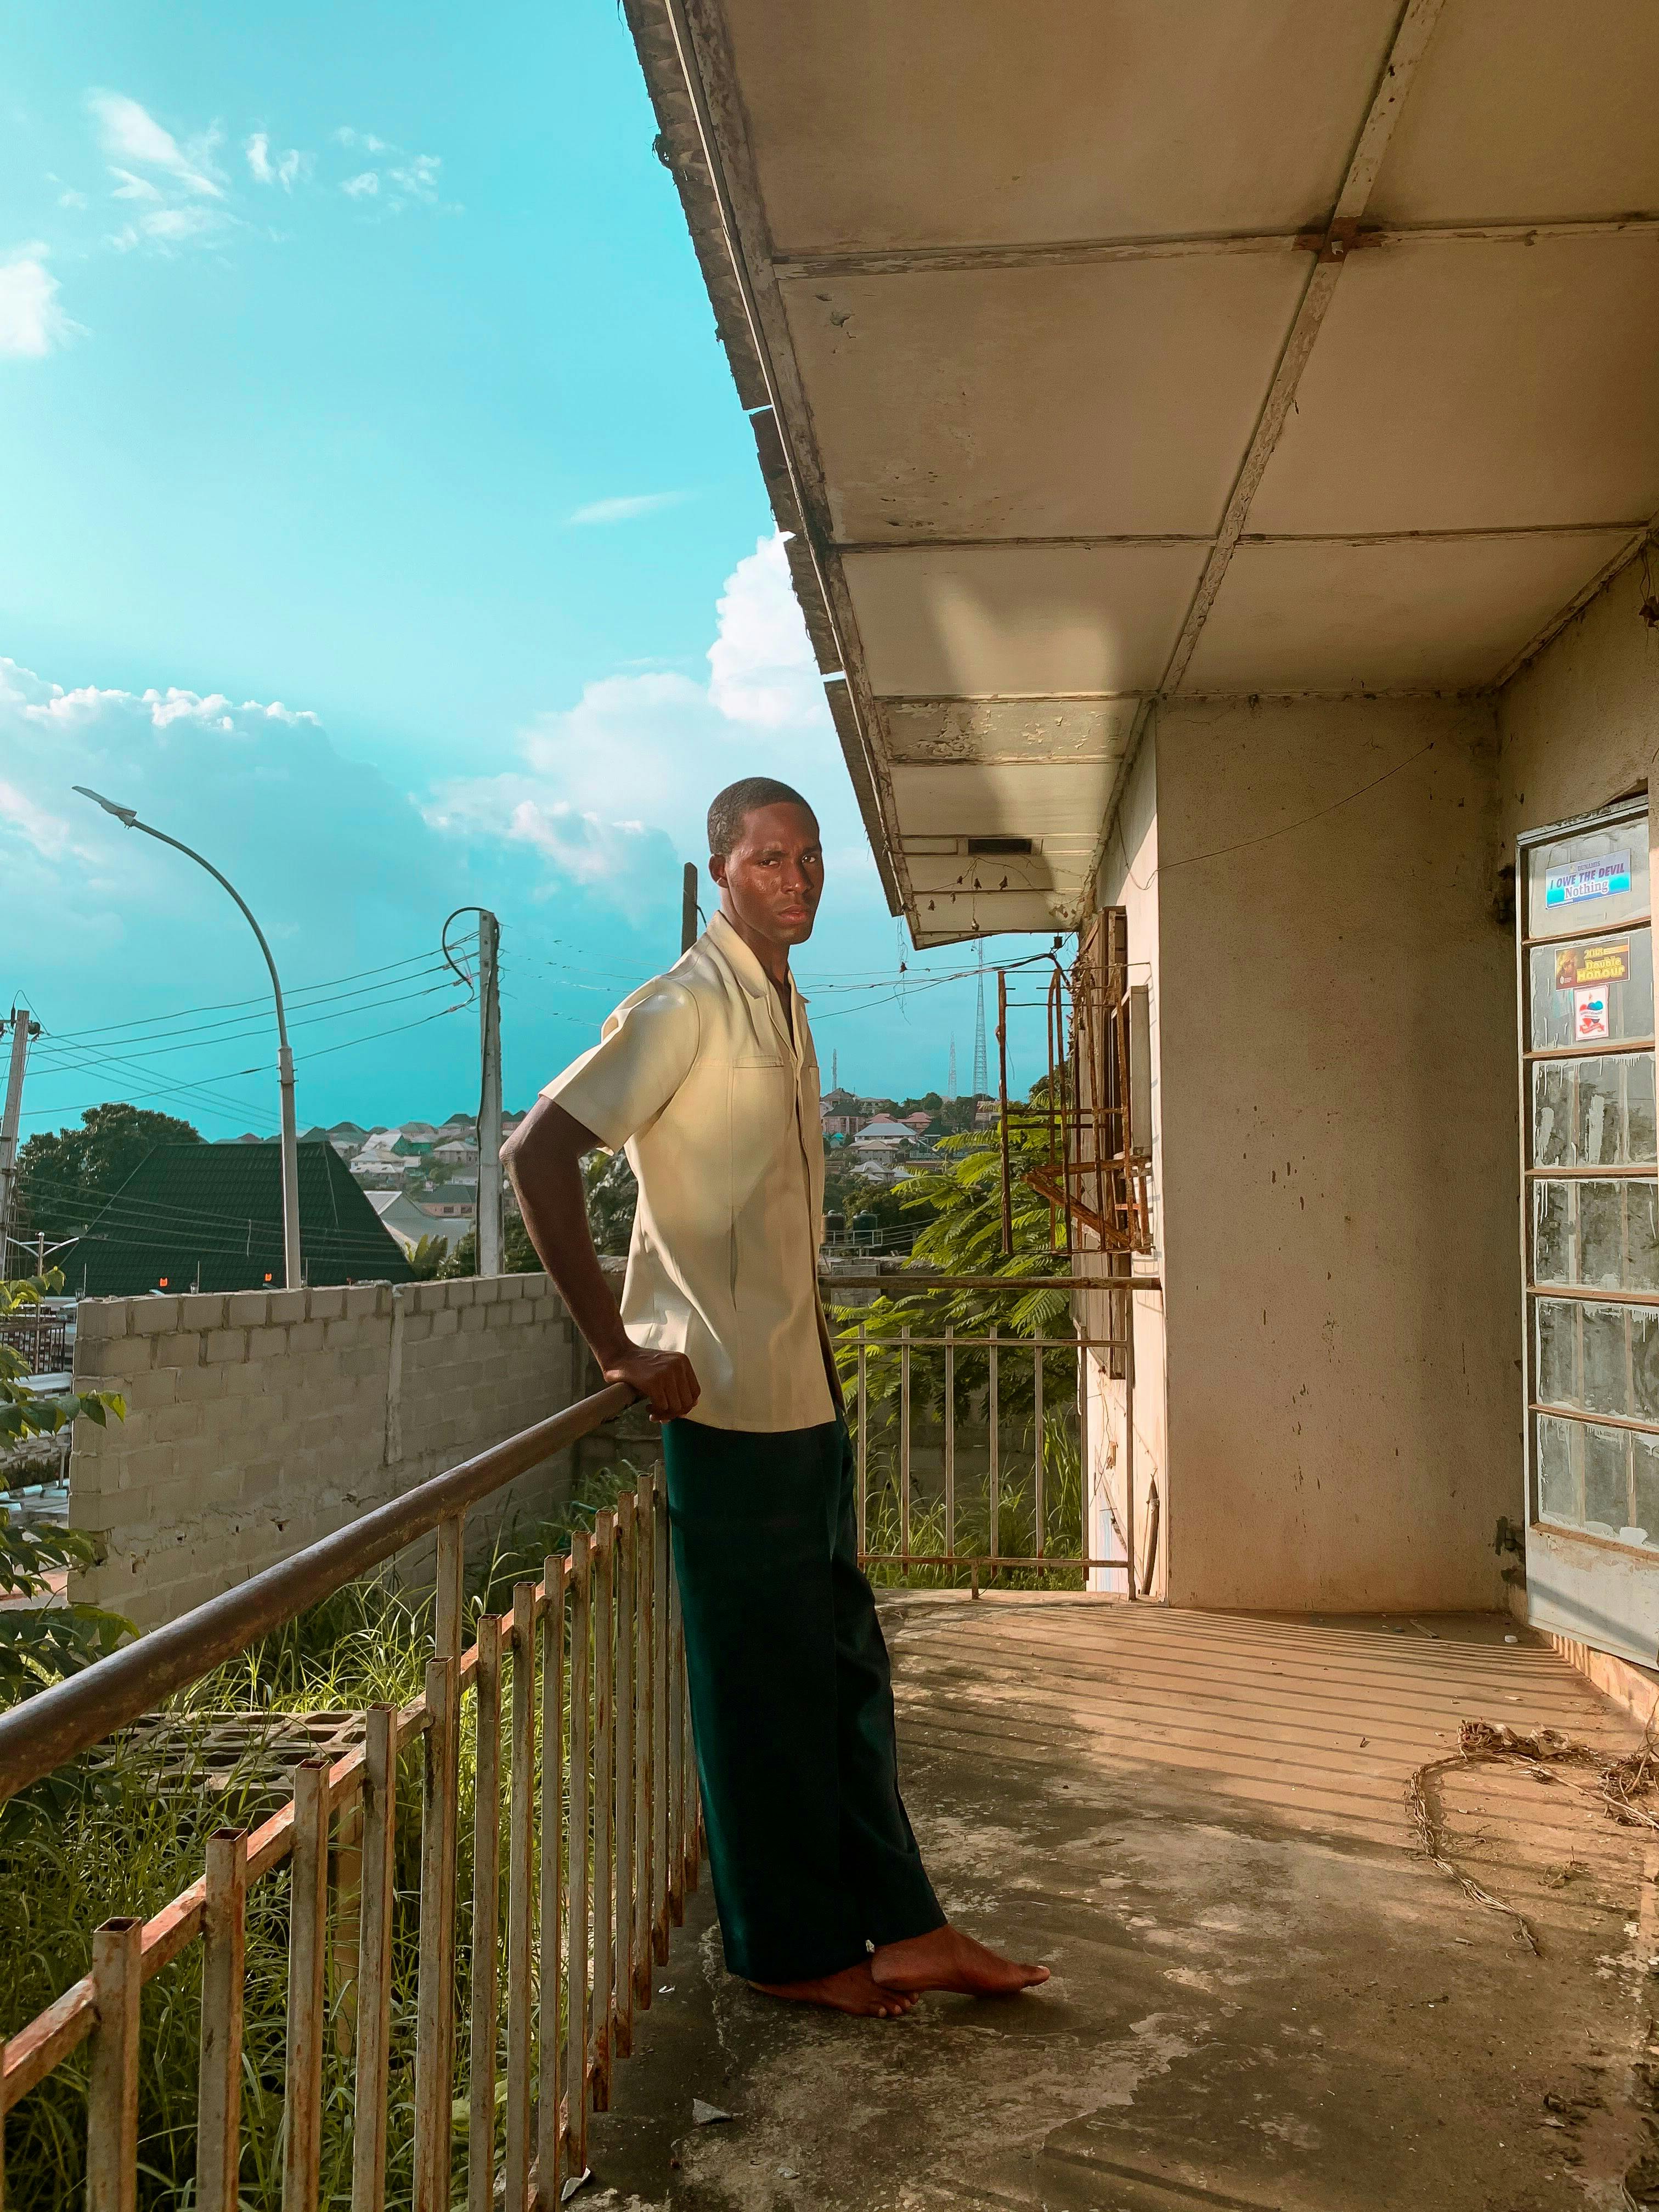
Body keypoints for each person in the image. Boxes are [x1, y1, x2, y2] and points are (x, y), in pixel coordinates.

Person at [503, 776, 1049, 2019]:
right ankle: (789, 1950)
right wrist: (618, 1349)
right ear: (720, 873)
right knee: (759, 1696)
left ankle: (907, 1925)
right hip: (724, 1413)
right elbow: (536, 1154)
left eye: (809, 858)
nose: (795, 878)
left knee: (847, 1671)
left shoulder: (785, 1009)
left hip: (804, 1399)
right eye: (768, 860)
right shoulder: (684, 1006)